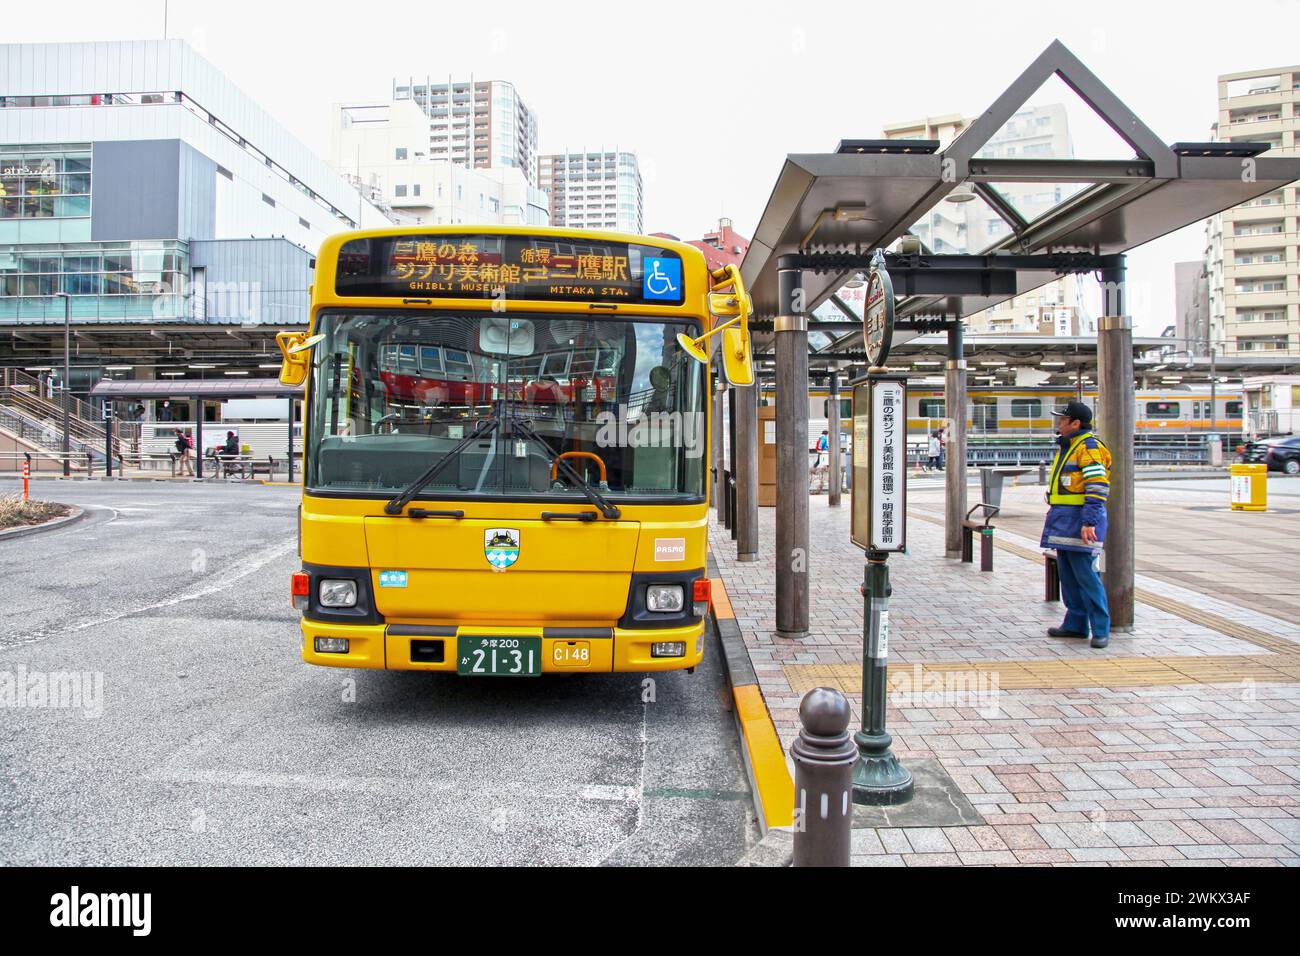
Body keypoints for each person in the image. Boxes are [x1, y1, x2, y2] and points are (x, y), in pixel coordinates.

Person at [1041, 400, 1112, 649]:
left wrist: (1089, 521)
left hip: (1081, 522)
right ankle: (1076, 624)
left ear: (1075, 423)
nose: (1059, 423)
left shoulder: (1089, 448)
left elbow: (1097, 486)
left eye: (1063, 420)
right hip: (1064, 521)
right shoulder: (1070, 446)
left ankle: (1101, 629)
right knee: (1069, 576)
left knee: (1087, 576)